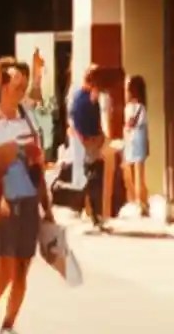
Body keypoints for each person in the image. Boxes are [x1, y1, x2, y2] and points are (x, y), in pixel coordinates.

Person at [0, 60, 51, 334]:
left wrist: (47, 205)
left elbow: (39, 164)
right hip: (4, 201)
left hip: (29, 199)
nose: (21, 90)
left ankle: (8, 326)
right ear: (2, 84)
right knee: (6, 266)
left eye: (23, 84)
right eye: (16, 84)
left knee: (23, 267)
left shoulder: (29, 116)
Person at [69, 65, 108, 230]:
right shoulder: (85, 97)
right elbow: (83, 120)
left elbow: (74, 119)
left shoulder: (79, 96)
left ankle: (89, 210)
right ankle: (93, 212)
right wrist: (94, 137)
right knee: (93, 177)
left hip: (87, 141)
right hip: (88, 142)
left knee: (88, 176)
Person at [122, 75, 150, 217]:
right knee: (137, 173)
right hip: (137, 141)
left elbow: (129, 124)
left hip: (134, 141)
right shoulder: (140, 107)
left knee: (136, 173)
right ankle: (141, 201)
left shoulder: (134, 108)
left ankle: (140, 202)